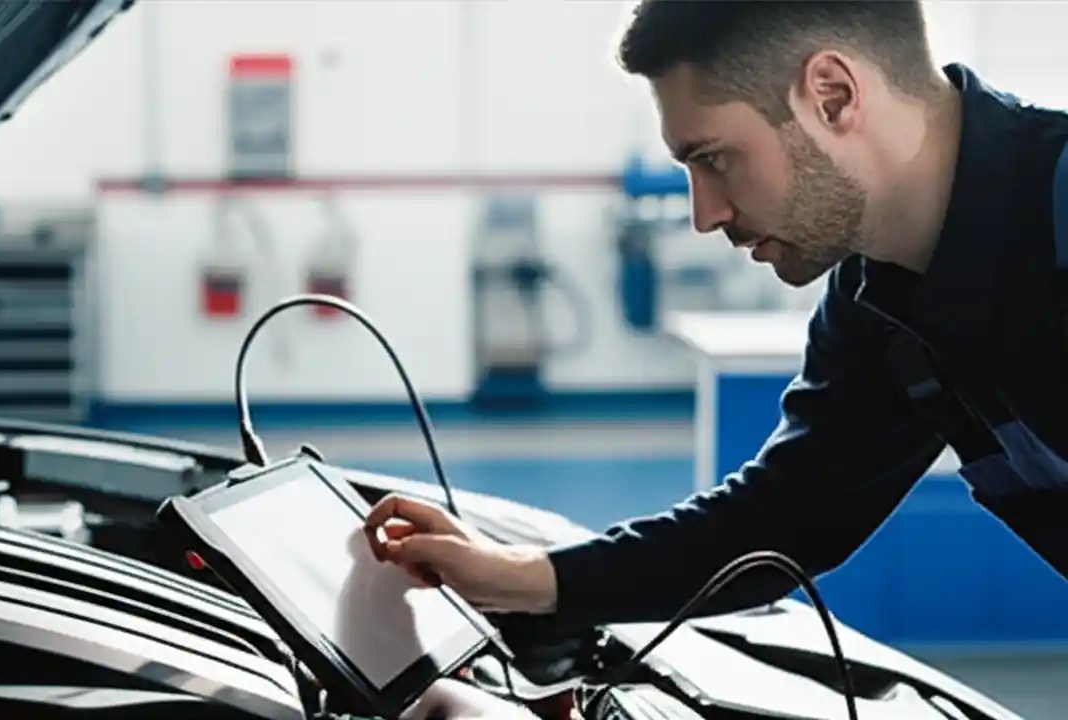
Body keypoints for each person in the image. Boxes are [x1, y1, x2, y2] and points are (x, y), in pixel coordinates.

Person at [365, 0, 1068, 631]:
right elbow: (787, 518)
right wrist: (527, 579)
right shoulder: (878, 306)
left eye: (715, 159)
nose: (707, 215)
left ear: (832, 96)